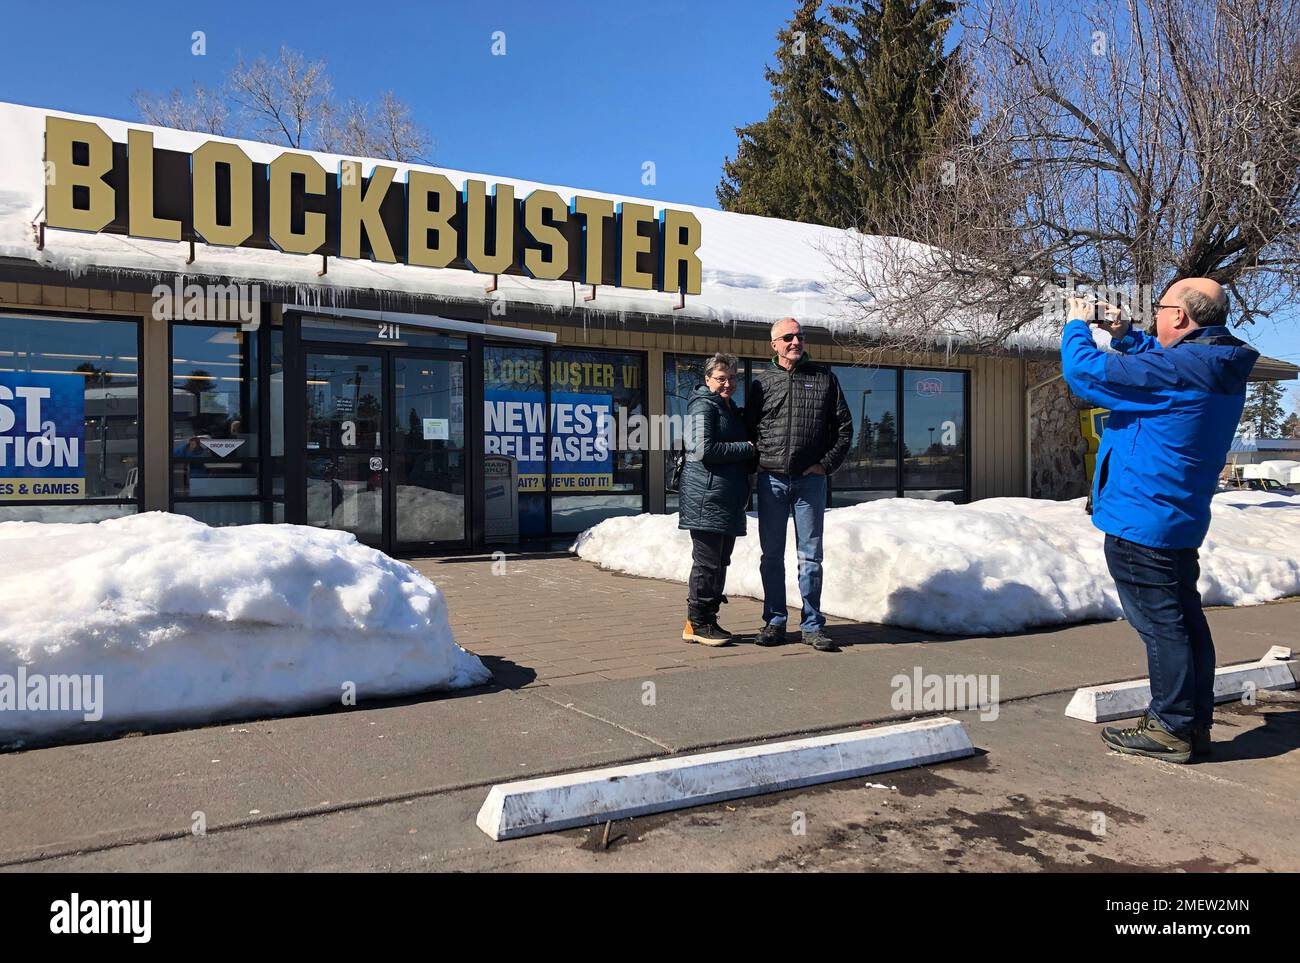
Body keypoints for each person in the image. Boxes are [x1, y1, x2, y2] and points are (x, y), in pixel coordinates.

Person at [1060, 279, 1259, 763]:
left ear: (1181, 318)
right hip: (1175, 517)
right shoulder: (1212, 364)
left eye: (1161, 307)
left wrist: (1075, 324)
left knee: (1162, 627)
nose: (1155, 316)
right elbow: (1155, 364)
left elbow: (1086, 373)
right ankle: (1192, 723)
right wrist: (1127, 334)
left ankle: (1171, 726)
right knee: (1185, 623)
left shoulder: (1178, 370)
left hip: (1142, 520)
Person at [744, 317, 853, 651]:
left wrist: (825, 464)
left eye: (800, 336)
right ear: (774, 344)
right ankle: (774, 621)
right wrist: (757, 465)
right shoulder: (762, 384)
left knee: (810, 557)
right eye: (788, 337)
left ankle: (812, 625)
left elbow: (844, 429)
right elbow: (749, 430)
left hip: (809, 482)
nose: (795, 341)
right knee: (771, 556)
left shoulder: (824, 379)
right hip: (772, 479)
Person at [678, 353, 756, 646]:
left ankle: (704, 620)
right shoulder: (703, 406)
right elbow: (703, 448)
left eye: (733, 378)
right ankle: (697, 623)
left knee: (720, 561)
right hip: (706, 497)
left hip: (725, 498)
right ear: (708, 379)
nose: (728, 383)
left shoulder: (727, 409)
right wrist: (748, 448)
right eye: (721, 378)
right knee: (707, 563)